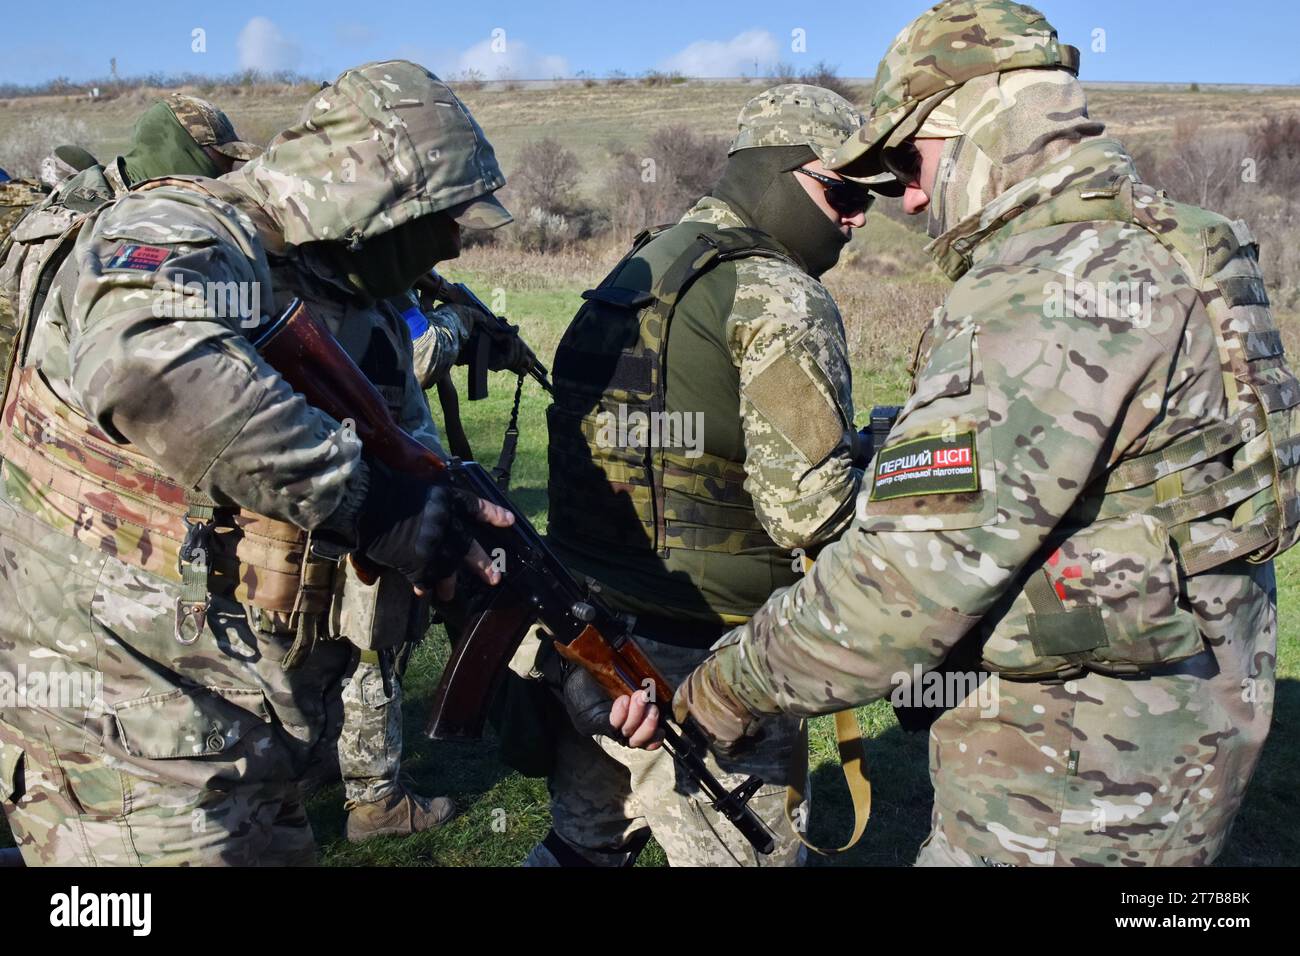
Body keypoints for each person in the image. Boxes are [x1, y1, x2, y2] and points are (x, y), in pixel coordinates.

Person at [623, 0, 1296, 867]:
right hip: (1183, 752)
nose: (904, 195)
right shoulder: (1189, 241)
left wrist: (719, 689)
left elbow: (895, 592)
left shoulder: (1047, 286)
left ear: (981, 120)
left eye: (909, 157)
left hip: (1060, 787)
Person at [0, 60, 514, 865]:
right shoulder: (183, 228)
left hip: (245, 741)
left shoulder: (348, 296)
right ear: (369, 198)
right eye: (445, 218)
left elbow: (410, 475)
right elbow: (145, 361)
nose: (455, 242)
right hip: (127, 738)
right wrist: (371, 505)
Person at [521, 84, 898, 867]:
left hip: (586, 631)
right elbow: (810, 514)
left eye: (870, 197)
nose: (858, 217)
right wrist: (891, 470)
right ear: (776, 172)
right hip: (704, 660)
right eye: (843, 191)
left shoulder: (646, 262)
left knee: (584, 846)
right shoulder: (777, 292)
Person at [0, 94, 260, 404]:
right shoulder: (107, 226)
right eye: (219, 157)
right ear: (178, 151)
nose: (227, 170)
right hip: (59, 418)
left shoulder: (91, 196)